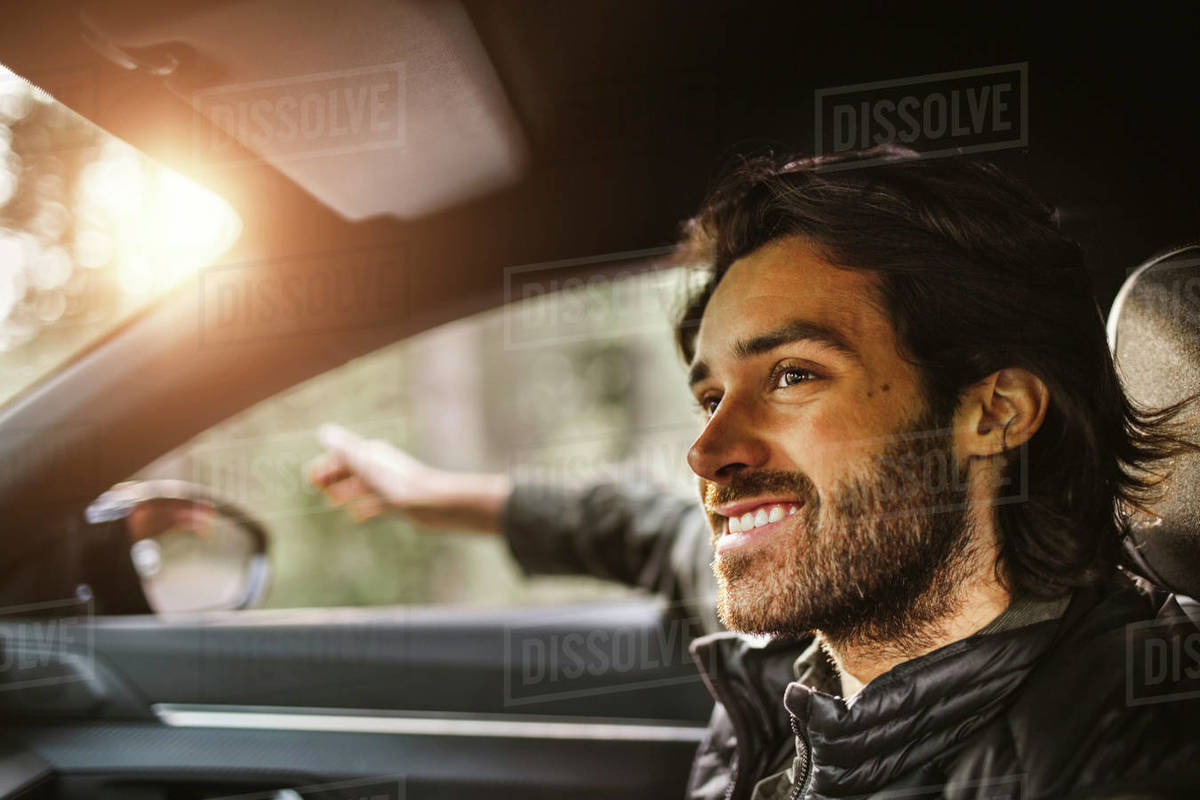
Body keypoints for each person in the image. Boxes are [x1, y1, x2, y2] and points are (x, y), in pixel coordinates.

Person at [312, 146, 1200, 799]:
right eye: (710, 398)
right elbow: (644, 531)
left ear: (993, 412)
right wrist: (425, 494)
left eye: (793, 376)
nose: (707, 453)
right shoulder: (806, 639)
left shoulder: (1131, 752)